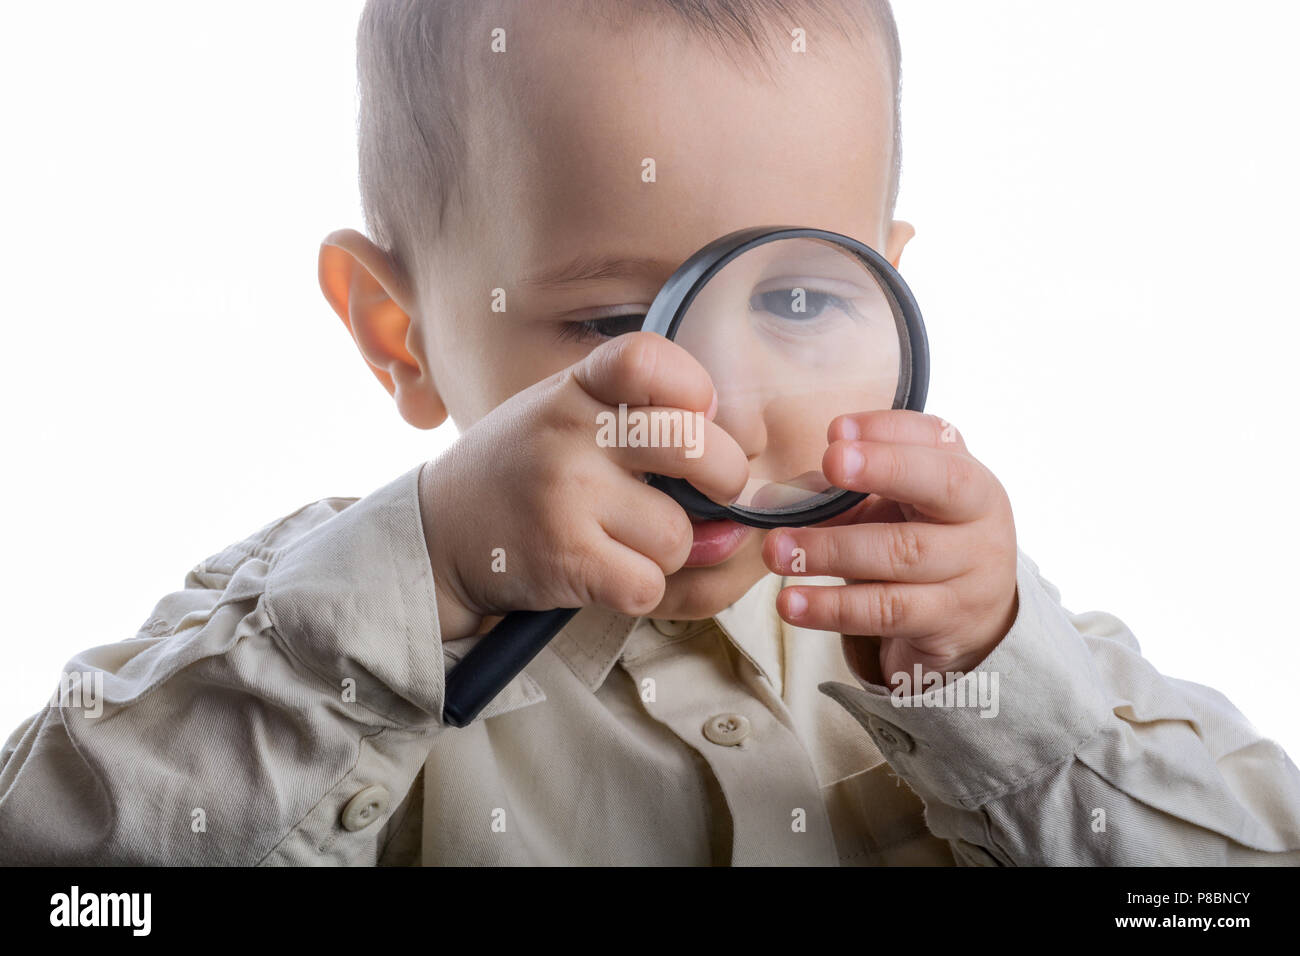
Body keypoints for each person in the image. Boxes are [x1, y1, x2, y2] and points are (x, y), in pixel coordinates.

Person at [3, 0, 1298, 866]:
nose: (716, 405)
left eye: (798, 298)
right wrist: (425, 578)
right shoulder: (301, 641)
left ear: (895, 288)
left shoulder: (970, 641)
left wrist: (1008, 695)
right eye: (615, 318)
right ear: (400, 334)